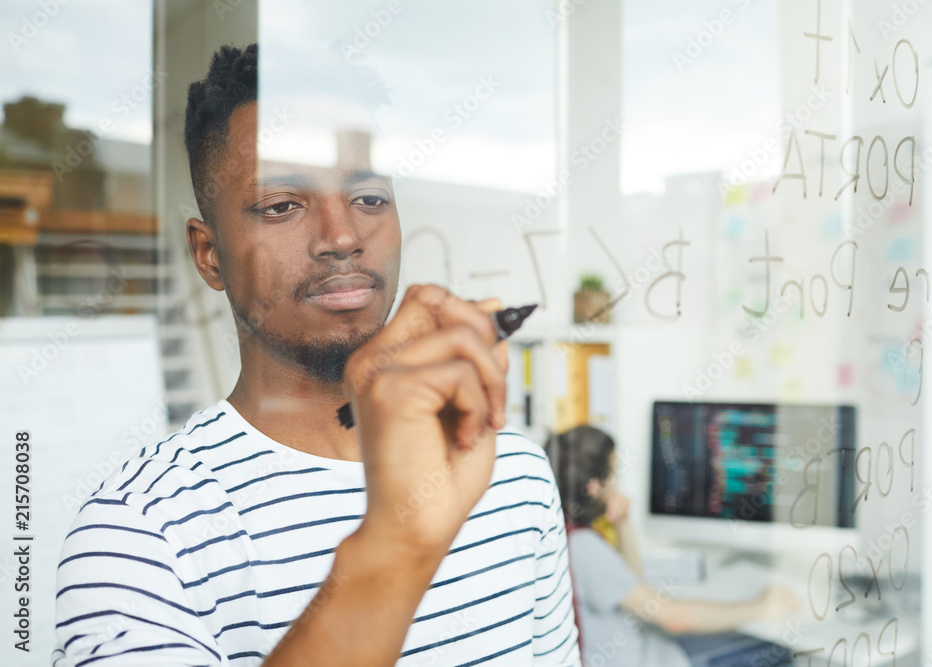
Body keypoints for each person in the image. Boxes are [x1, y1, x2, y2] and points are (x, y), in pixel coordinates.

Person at [51, 43, 580, 666]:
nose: (342, 236)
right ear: (208, 253)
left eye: (369, 198)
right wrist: (397, 542)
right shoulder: (140, 536)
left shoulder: (511, 467)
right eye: (282, 206)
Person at [546, 426, 799, 667]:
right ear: (593, 487)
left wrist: (623, 522)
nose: (616, 486)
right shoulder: (584, 548)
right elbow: (674, 619)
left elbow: (634, 583)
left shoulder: (564, 536)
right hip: (656, 660)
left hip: (651, 648)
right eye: (612, 476)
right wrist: (760, 606)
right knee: (778, 651)